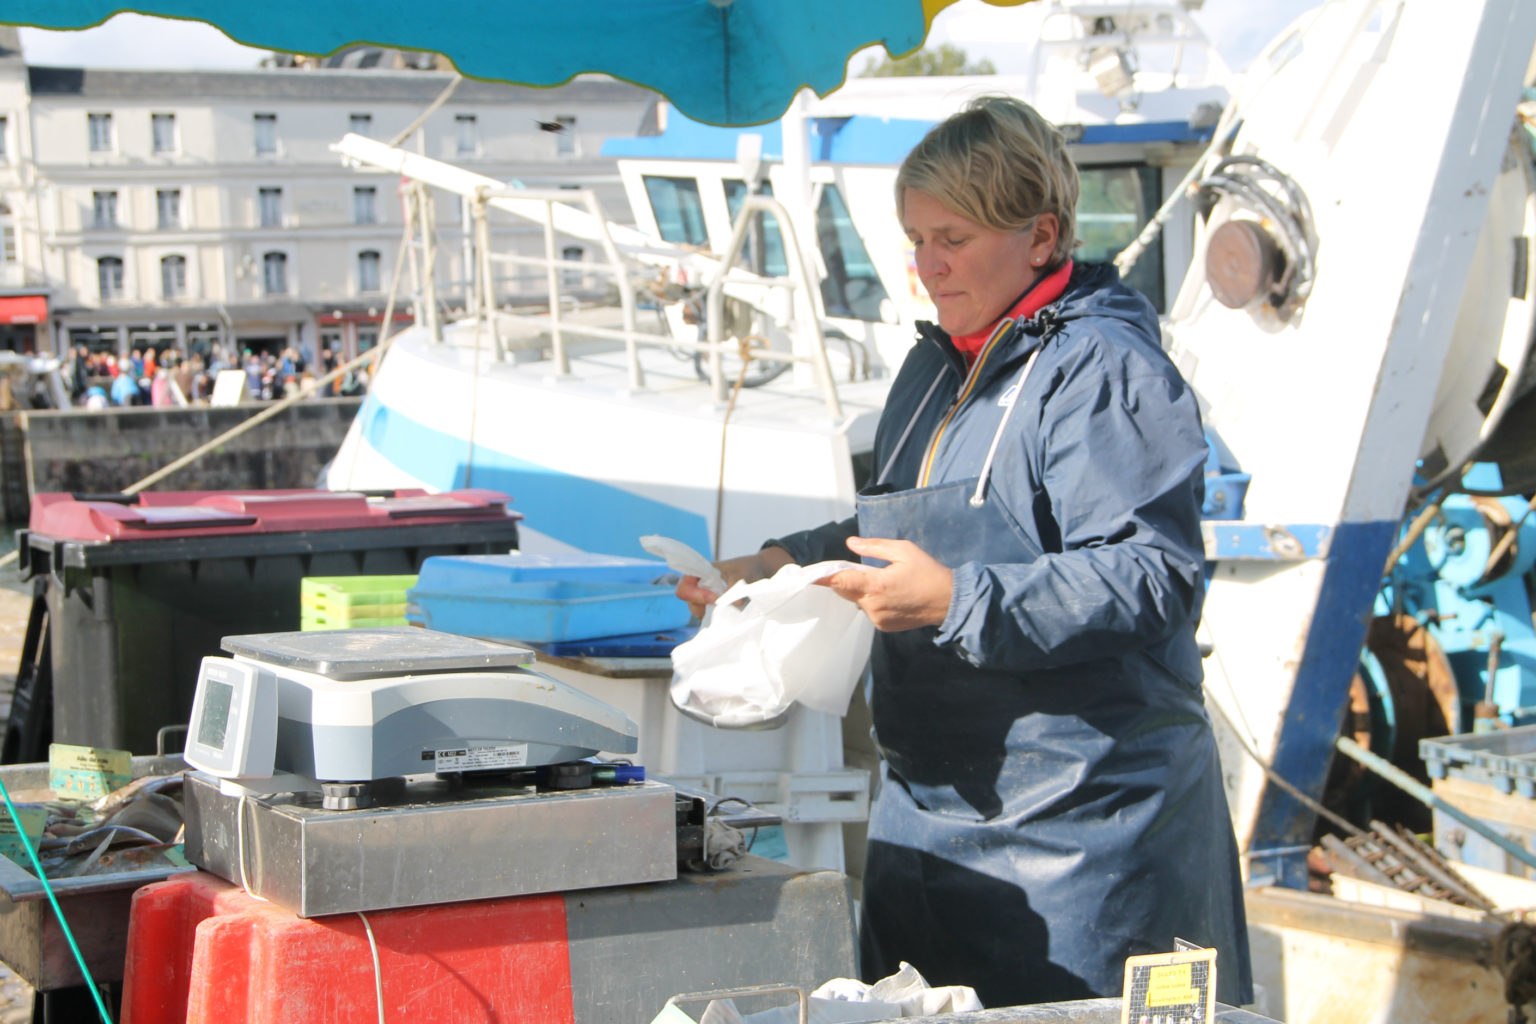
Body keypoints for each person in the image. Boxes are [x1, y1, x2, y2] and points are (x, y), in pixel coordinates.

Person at [676, 96, 1252, 1009]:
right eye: (915, 237)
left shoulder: (1103, 368)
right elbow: (905, 532)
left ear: (1041, 236)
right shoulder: (933, 365)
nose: (926, 265)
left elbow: (1155, 577)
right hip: (929, 822)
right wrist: (779, 565)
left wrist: (954, 601)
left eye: (952, 236)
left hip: (1092, 835)